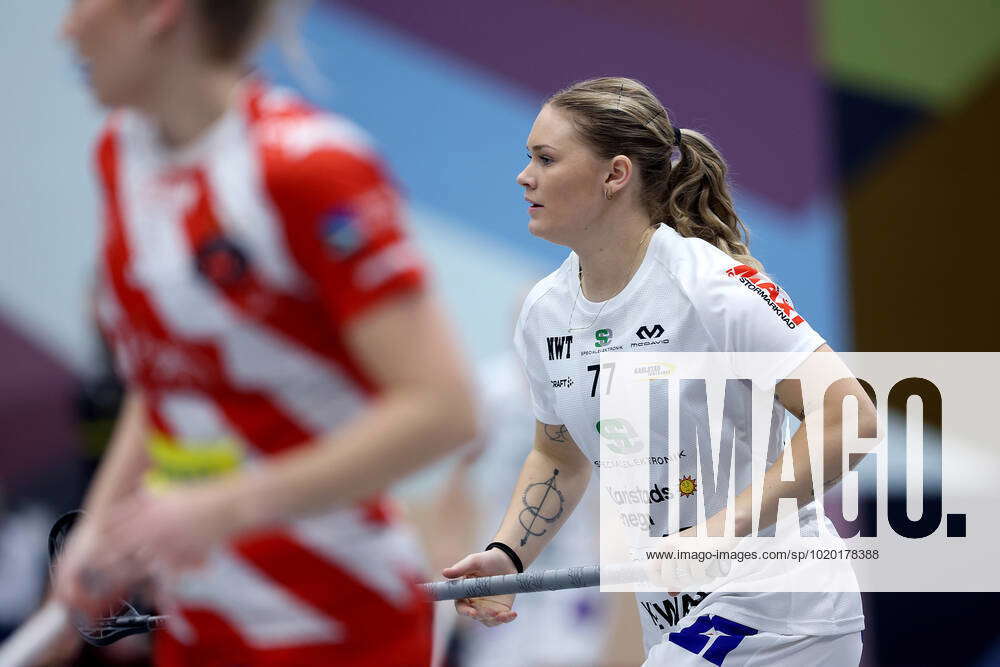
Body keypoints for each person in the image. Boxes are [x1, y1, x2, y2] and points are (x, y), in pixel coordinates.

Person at [50, 0, 477, 664]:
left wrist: (226, 506)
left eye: (81, 1)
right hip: (198, 622)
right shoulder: (117, 156)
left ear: (163, 11)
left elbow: (445, 409)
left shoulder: (309, 167)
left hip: (341, 625)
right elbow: (168, 376)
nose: (65, 27)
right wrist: (99, 527)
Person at [443, 77, 874, 665]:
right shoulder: (544, 313)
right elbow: (559, 456)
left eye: (546, 158)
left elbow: (850, 417)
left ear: (615, 175)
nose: (525, 176)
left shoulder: (714, 284)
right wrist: (509, 555)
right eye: (528, 158)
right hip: (676, 616)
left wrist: (718, 533)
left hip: (782, 610)